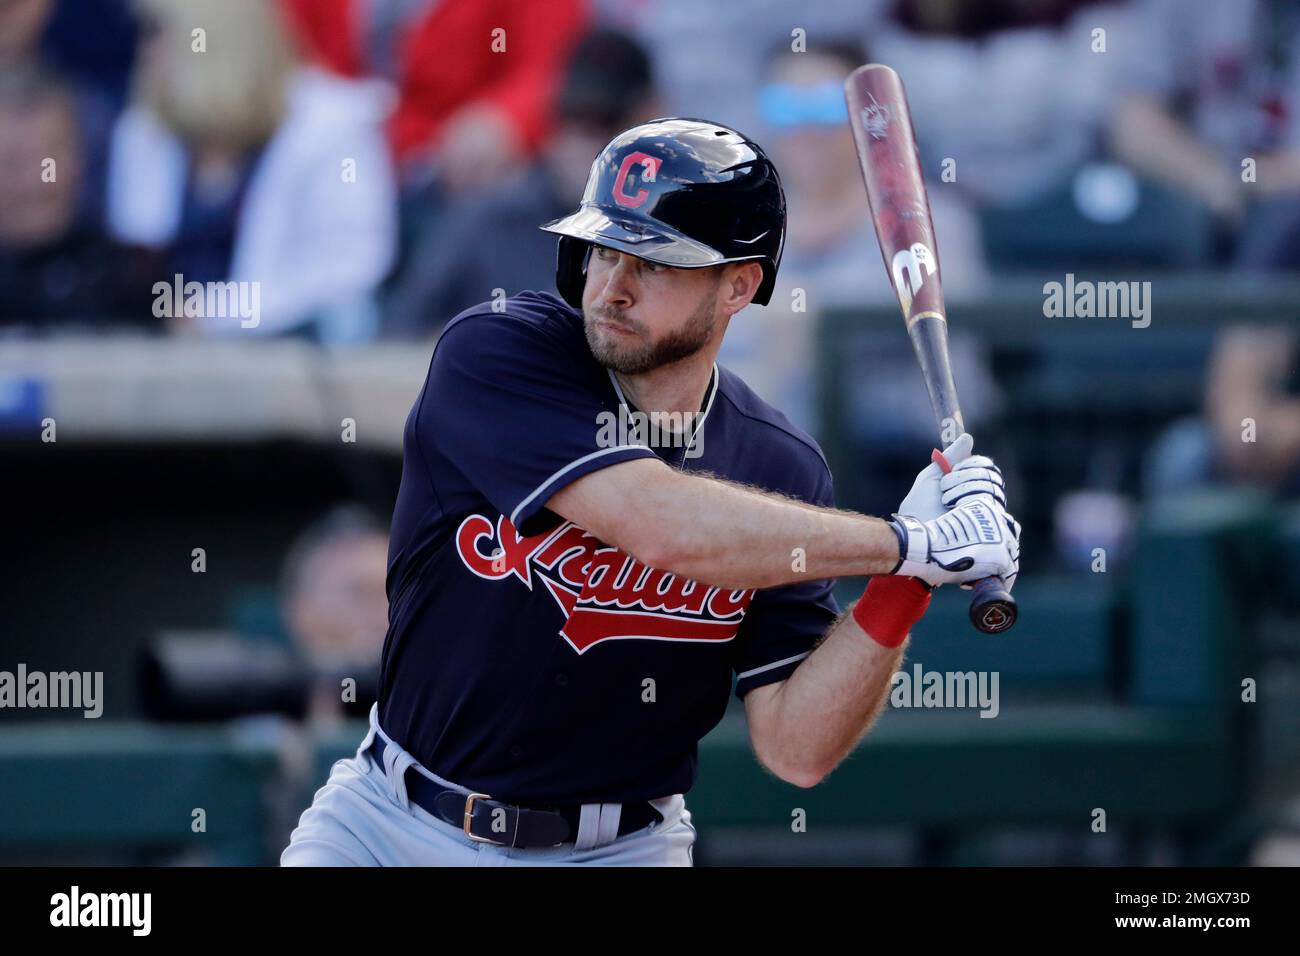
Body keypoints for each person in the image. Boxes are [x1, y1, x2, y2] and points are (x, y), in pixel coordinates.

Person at [281, 118, 1020, 866]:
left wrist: (910, 580)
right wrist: (906, 540)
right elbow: (659, 523)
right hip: (396, 826)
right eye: (604, 249)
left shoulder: (779, 467)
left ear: (740, 284)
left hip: (621, 849)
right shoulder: (498, 353)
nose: (613, 286)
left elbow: (798, 748)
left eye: (654, 263)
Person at [105, 0, 396, 341]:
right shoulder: (144, 132)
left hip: (296, 359)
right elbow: (134, 268)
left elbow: (352, 269)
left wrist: (215, 314)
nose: (144, 50)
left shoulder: (333, 126)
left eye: (156, 33)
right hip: (166, 364)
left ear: (215, 38)